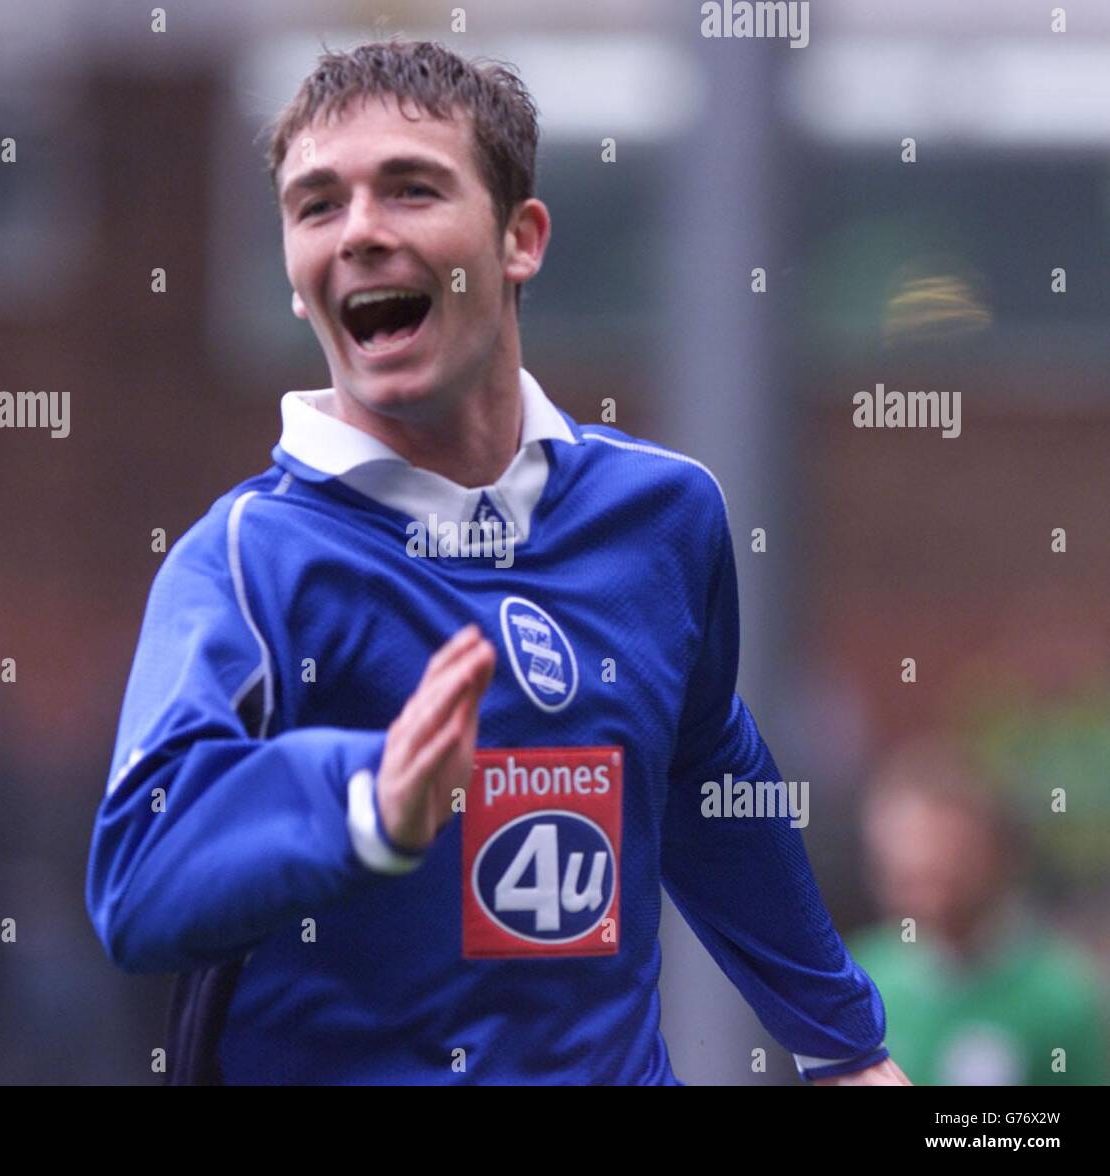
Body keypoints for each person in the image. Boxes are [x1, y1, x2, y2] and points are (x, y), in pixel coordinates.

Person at [85, 39, 909, 1086]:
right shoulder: (247, 566)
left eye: (411, 189)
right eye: (316, 205)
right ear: (294, 282)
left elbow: (704, 772)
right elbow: (138, 882)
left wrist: (842, 1048)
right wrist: (366, 803)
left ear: (520, 239)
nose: (361, 233)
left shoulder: (662, 517)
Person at [849, 735, 1108, 1085]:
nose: (924, 876)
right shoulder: (860, 982)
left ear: (996, 855)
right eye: (904, 867)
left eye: (946, 857)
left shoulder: (1061, 996)